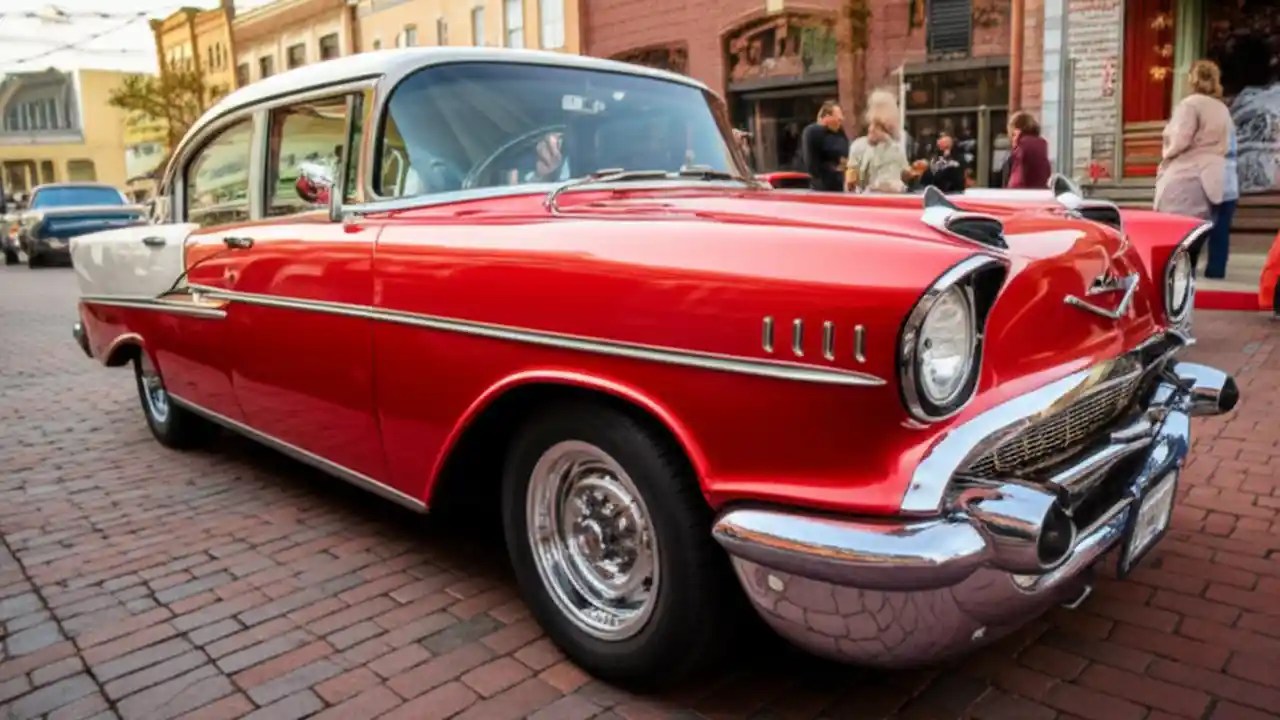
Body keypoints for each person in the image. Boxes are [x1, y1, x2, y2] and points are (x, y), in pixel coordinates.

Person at [1154, 59, 1233, 276]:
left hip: (1186, 174)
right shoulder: (1222, 109)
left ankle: (1176, 282)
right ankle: (1188, 276)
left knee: (1175, 233)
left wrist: (1167, 155)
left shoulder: (1190, 105)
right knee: (1196, 234)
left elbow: (1181, 138)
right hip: (1213, 175)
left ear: (1192, 79)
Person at [846, 89, 918, 193]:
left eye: (878, 127)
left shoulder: (895, 147)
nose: (873, 129)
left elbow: (905, 173)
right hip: (874, 197)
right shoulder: (859, 146)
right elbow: (851, 178)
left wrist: (914, 171)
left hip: (891, 196)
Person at [1205, 110, 1240, 279]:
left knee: (1199, 227)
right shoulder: (1228, 121)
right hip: (1229, 183)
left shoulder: (1205, 123)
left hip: (1211, 179)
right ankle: (1216, 270)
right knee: (1222, 228)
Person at [801, 101, 849, 192]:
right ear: (827, 117)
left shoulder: (839, 132)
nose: (841, 119)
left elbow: (846, 151)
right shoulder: (813, 132)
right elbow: (812, 164)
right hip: (823, 186)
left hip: (840, 184)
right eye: (838, 116)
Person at [1005, 111, 1051, 188]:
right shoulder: (1041, 144)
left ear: (1016, 131)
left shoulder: (1023, 146)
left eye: (1012, 134)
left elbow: (1016, 181)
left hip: (1023, 195)